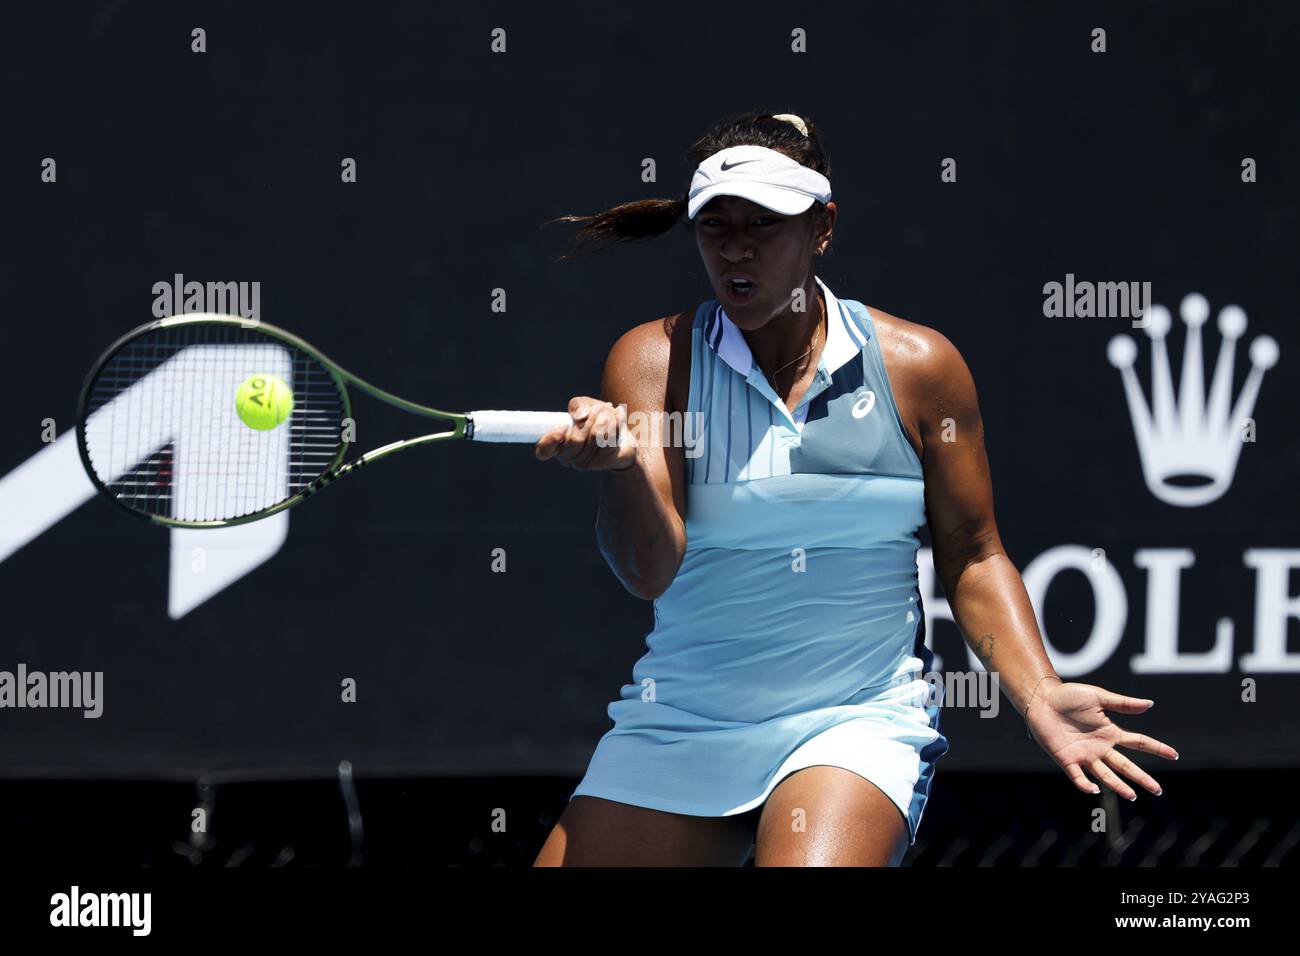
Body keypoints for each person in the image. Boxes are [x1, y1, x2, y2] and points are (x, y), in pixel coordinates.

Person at [531, 110, 1178, 867]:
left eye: (765, 225)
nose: (737, 249)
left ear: (822, 228)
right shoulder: (650, 362)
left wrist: (1037, 693)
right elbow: (648, 570)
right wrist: (624, 473)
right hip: (677, 721)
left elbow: (971, 554)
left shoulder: (919, 367)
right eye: (716, 227)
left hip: (854, 722)